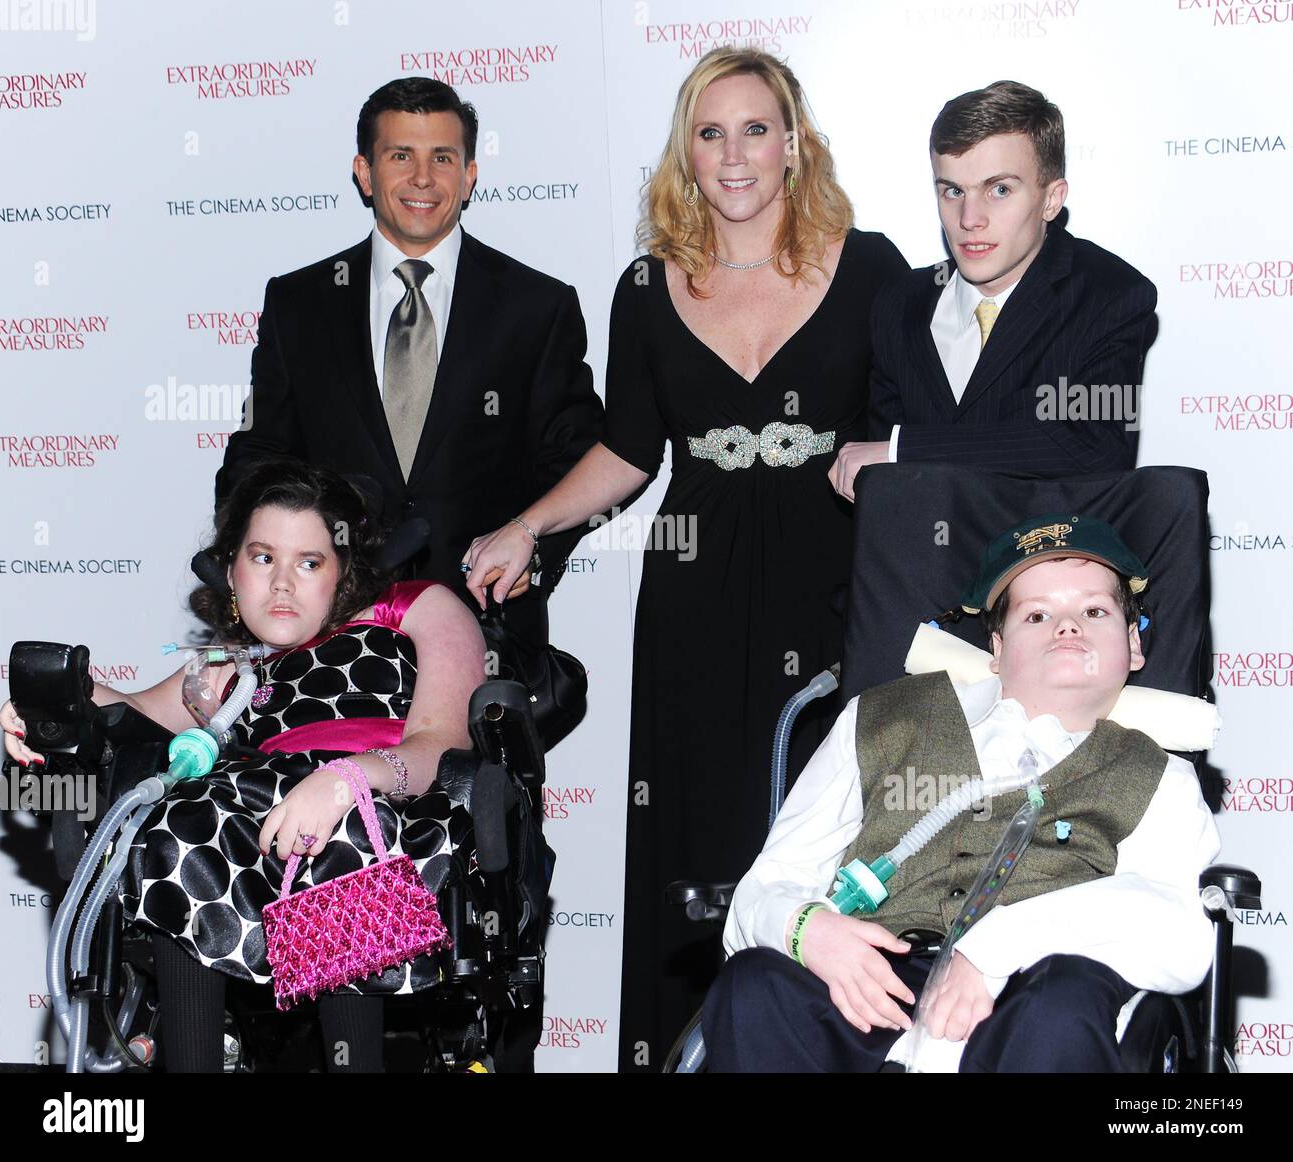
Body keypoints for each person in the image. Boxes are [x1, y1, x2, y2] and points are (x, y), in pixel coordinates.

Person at [462, 47, 908, 1071]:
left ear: (793, 144)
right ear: (685, 152)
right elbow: (627, 449)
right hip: (692, 595)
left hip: (835, 585)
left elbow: (906, 427)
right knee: (697, 831)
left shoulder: (872, 264)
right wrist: (529, 524)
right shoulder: (646, 283)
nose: (734, 154)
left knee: (825, 828)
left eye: (755, 128)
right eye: (710, 133)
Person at [2, 461, 487, 1072]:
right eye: (262, 558)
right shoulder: (230, 664)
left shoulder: (413, 608)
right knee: (175, 827)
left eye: (309, 562)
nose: (282, 583)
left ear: (343, 573)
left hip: (386, 803)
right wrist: (51, 704)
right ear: (232, 571)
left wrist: (347, 779)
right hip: (255, 817)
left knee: (343, 839)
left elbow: (442, 746)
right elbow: (126, 711)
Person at [704, 514, 1220, 1072]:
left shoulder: (1158, 776)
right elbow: (765, 887)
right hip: (871, 988)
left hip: (1031, 1001)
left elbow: (1181, 931)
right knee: (753, 987)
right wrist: (809, 930)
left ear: (1133, 642)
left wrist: (994, 948)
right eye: (1037, 614)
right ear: (996, 648)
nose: (1067, 627)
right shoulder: (880, 721)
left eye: (1094, 610)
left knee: (1060, 1008)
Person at [216, 76, 603, 647]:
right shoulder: (299, 303)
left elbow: (579, 461)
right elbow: (260, 455)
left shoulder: (537, 306)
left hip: (485, 633)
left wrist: (534, 551)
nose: (423, 178)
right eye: (401, 155)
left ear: (469, 175)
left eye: (442, 158)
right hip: (327, 636)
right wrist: (253, 560)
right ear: (365, 172)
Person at [829, 81, 1158, 498]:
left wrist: (904, 450)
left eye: (999, 189)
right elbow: (886, 494)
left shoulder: (1109, 294)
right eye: (953, 191)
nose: (970, 218)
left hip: (1046, 556)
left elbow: (1095, 448)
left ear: (1052, 199)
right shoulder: (901, 305)